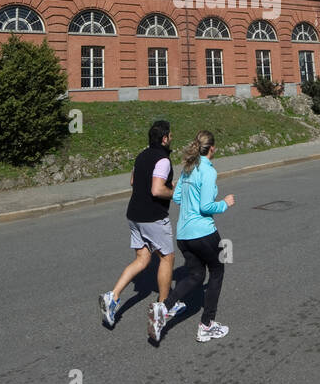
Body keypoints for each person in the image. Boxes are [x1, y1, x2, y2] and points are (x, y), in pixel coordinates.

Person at [148, 130, 234, 343]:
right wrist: (225, 203)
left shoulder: (188, 168)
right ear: (212, 148)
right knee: (217, 271)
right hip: (203, 232)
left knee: (196, 276)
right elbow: (206, 206)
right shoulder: (208, 171)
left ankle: (164, 308)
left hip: (184, 235)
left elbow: (176, 196)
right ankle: (207, 325)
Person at [99, 120, 175, 328]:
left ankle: (112, 297)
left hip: (133, 214)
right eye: (170, 135)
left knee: (143, 258)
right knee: (167, 258)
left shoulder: (141, 155)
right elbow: (157, 190)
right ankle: (163, 308)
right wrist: (174, 193)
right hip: (153, 216)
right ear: (164, 138)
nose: (171, 139)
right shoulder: (163, 160)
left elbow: (133, 181)